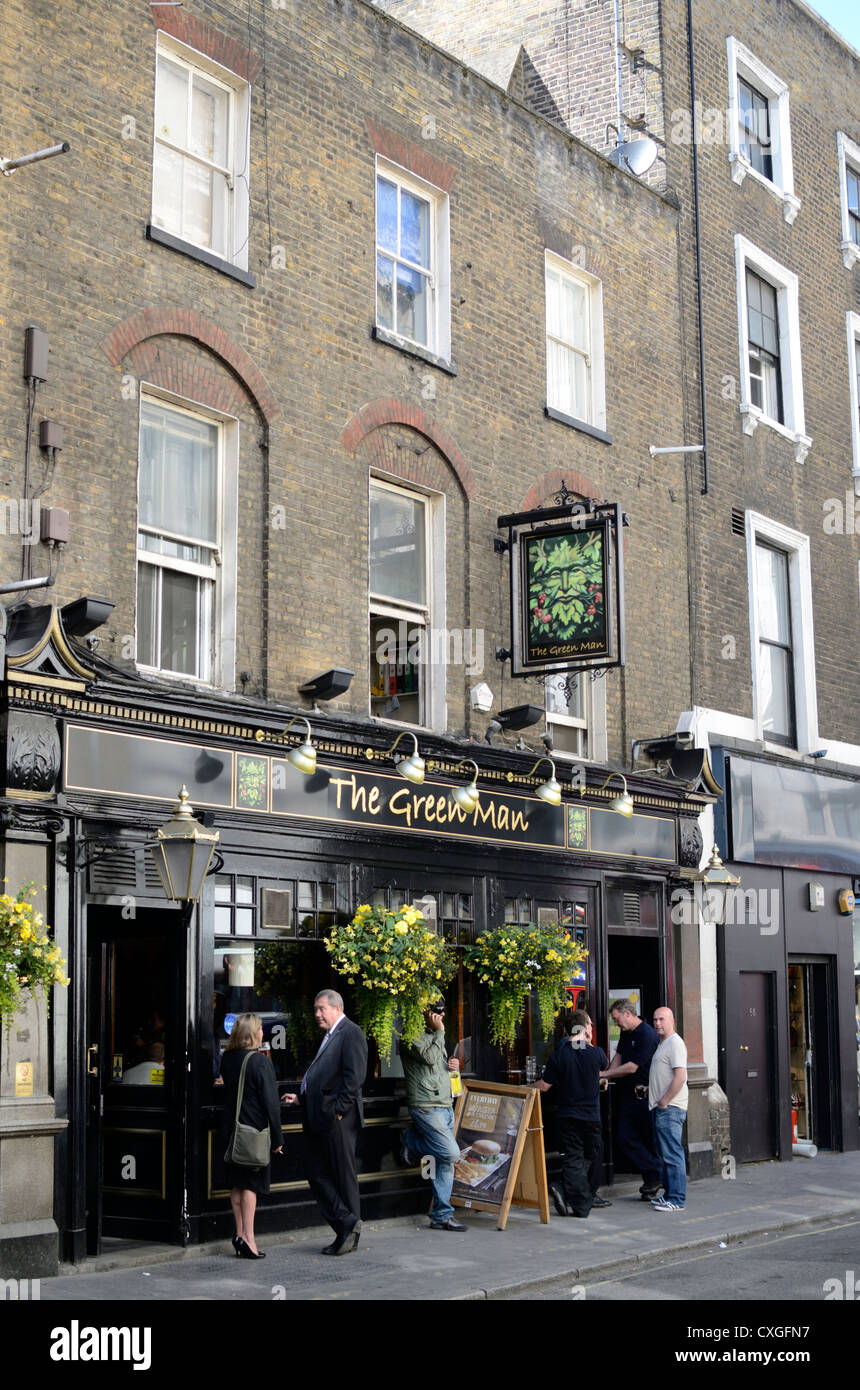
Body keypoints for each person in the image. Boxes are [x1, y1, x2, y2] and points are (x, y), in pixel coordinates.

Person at [282, 989, 368, 1255]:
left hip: (335, 1118)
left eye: (321, 1009)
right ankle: (347, 1225)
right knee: (317, 1171)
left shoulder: (350, 1032)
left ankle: (349, 1233)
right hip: (321, 1115)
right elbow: (323, 1078)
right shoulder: (332, 1035)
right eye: (316, 1009)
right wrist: (302, 1099)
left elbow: (355, 1076)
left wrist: (338, 1110)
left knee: (341, 1176)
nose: (317, 1014)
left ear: (337, 1008)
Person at [219, 1012, 283, 1259]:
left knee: (236, 1184)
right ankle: (250, 1239)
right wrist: (278, 1139)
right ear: (254, 1034)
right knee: (250, 1186)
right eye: (260, 1029)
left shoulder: (228, 1058)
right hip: (252, 1132)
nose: (262, 1033)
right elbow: (271, 1104)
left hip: (230, 1131)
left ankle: (238, 1235)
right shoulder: (260, 1062)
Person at [399, 999, 467, 1232]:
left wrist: (451, 1066)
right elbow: (427, 1058)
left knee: (443, 1161)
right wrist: (440, 1034)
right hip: (426, 1105)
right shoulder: (410, 1035)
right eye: (437, 1010)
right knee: (451, 1153)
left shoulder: (435, 1034)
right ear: (424, 1013)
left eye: (442, 1009)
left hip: (444, 1103)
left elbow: (434, 1064)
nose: (442, 1014)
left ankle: (441, 1215)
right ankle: (409, 1139)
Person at [538, 1009, 608, 1218]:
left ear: (564, 1030)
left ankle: (564, 1189)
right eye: (589, 1025)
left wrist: (525, 1087)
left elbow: (544, 1086)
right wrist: (588, 1039)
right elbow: (599, 1064)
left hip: (567, 1116)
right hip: (591, 1117)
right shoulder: (596, 1053)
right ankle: (580, 1205)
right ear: (585, 1028)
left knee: (574, 1157)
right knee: (586, 1156)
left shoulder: (559, 1055)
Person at [600, 997, 662, 1200]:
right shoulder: (626, 1033)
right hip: (628, 1095)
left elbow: (632, 1066)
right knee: (625, 1138)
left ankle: (653, 1180)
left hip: (644, 1096)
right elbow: (618, 1057)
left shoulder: (647, 1035)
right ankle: (655, 1175)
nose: (616, 1023)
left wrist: (604, 1075)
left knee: (645, 1139)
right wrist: (607, 1073)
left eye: (617, 1019)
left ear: (627, 1013)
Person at [648, 1006, 689, 1212]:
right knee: (666, 1155)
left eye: (662, 1019)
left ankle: (677, 1199)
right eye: (655, 1020)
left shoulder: (675, 1043)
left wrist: (664, 1100)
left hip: (670, 1108)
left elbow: (681, 1077)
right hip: (662, 1107)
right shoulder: (662, 1044)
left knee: (673, 1155)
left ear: (671, 1020)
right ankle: (669, 1194)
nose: (657, 1023)